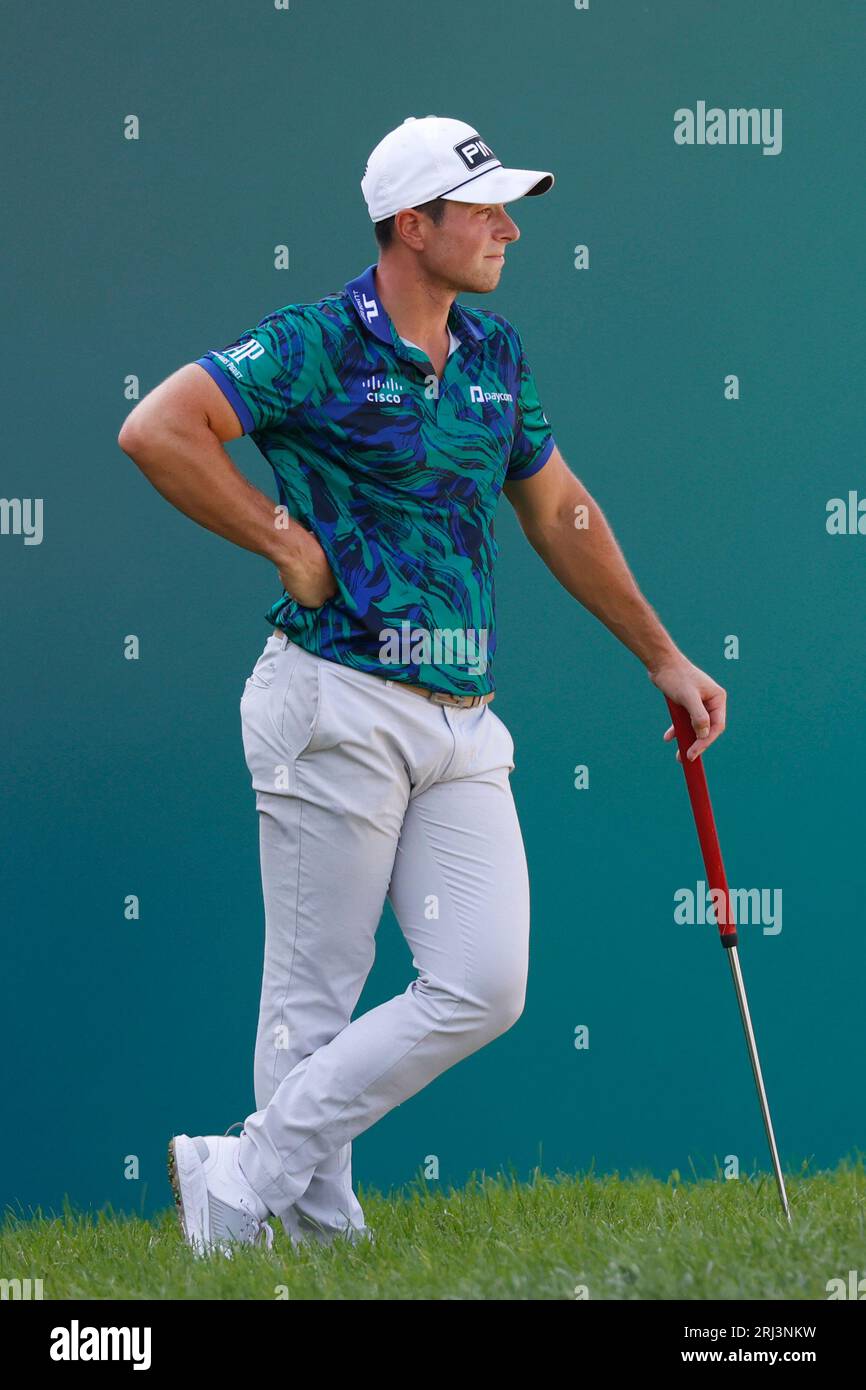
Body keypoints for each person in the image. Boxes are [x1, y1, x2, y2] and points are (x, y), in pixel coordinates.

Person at [118, 115, 726, 1257]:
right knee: (315, 995)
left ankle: (238, 1170)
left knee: (485, 982)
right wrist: (280, 542)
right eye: (483, 206)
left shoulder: (493, 355)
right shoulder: (313, 343)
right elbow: (159, 429)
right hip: (331, 699)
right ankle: (311, 1225)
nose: (506, 227)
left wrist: (661, 652)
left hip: (461, 718)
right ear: (412, 223)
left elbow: (558, 509)